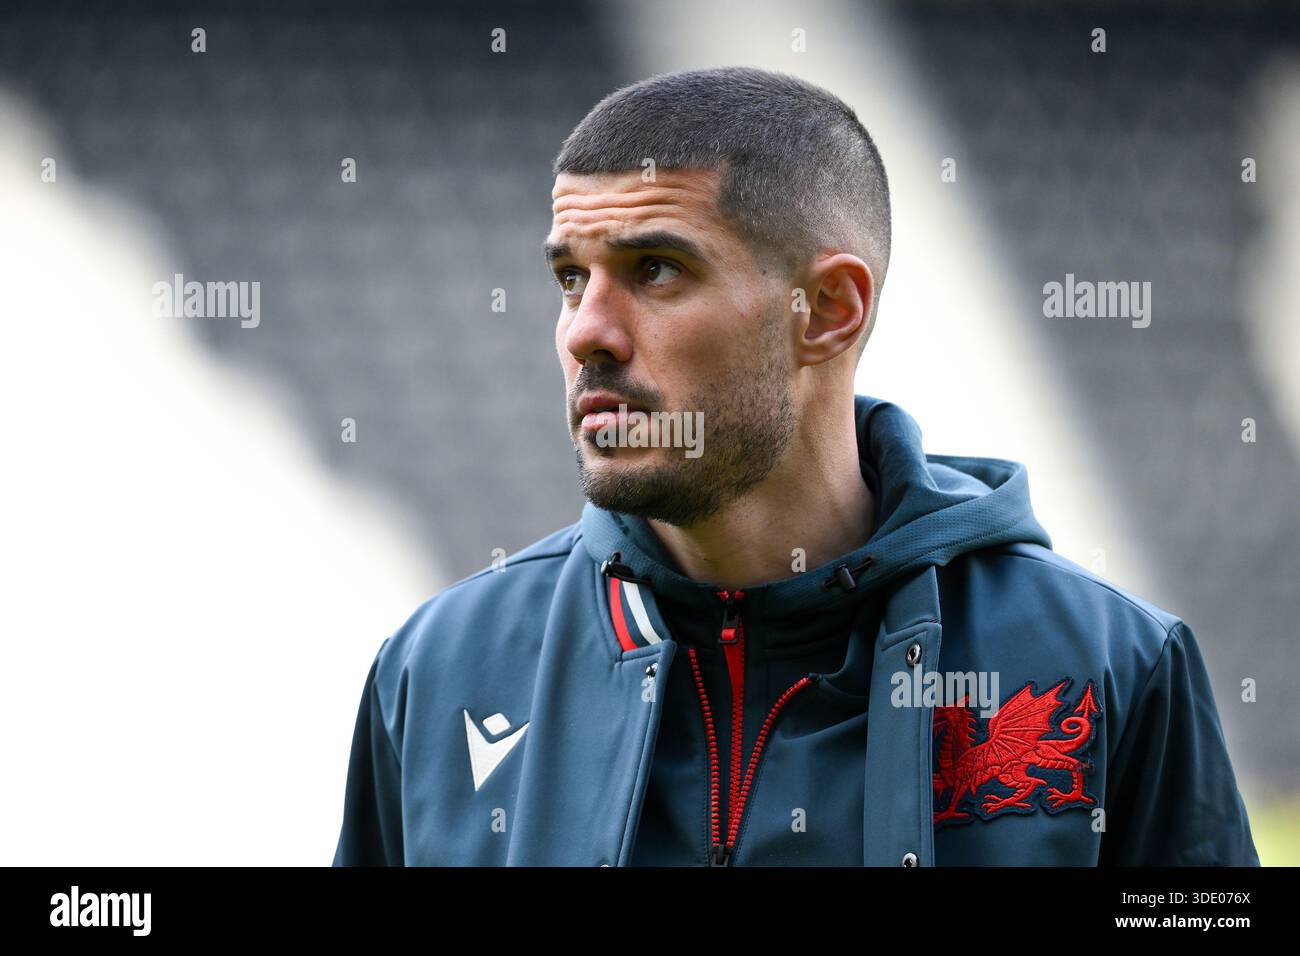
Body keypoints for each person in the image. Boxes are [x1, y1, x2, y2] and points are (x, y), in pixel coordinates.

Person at [331, 66, 1259, 866]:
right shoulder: (440, 669)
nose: (586, 333)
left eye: (655, 269)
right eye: (571, 277)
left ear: (826, 311)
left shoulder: (1107, 665)